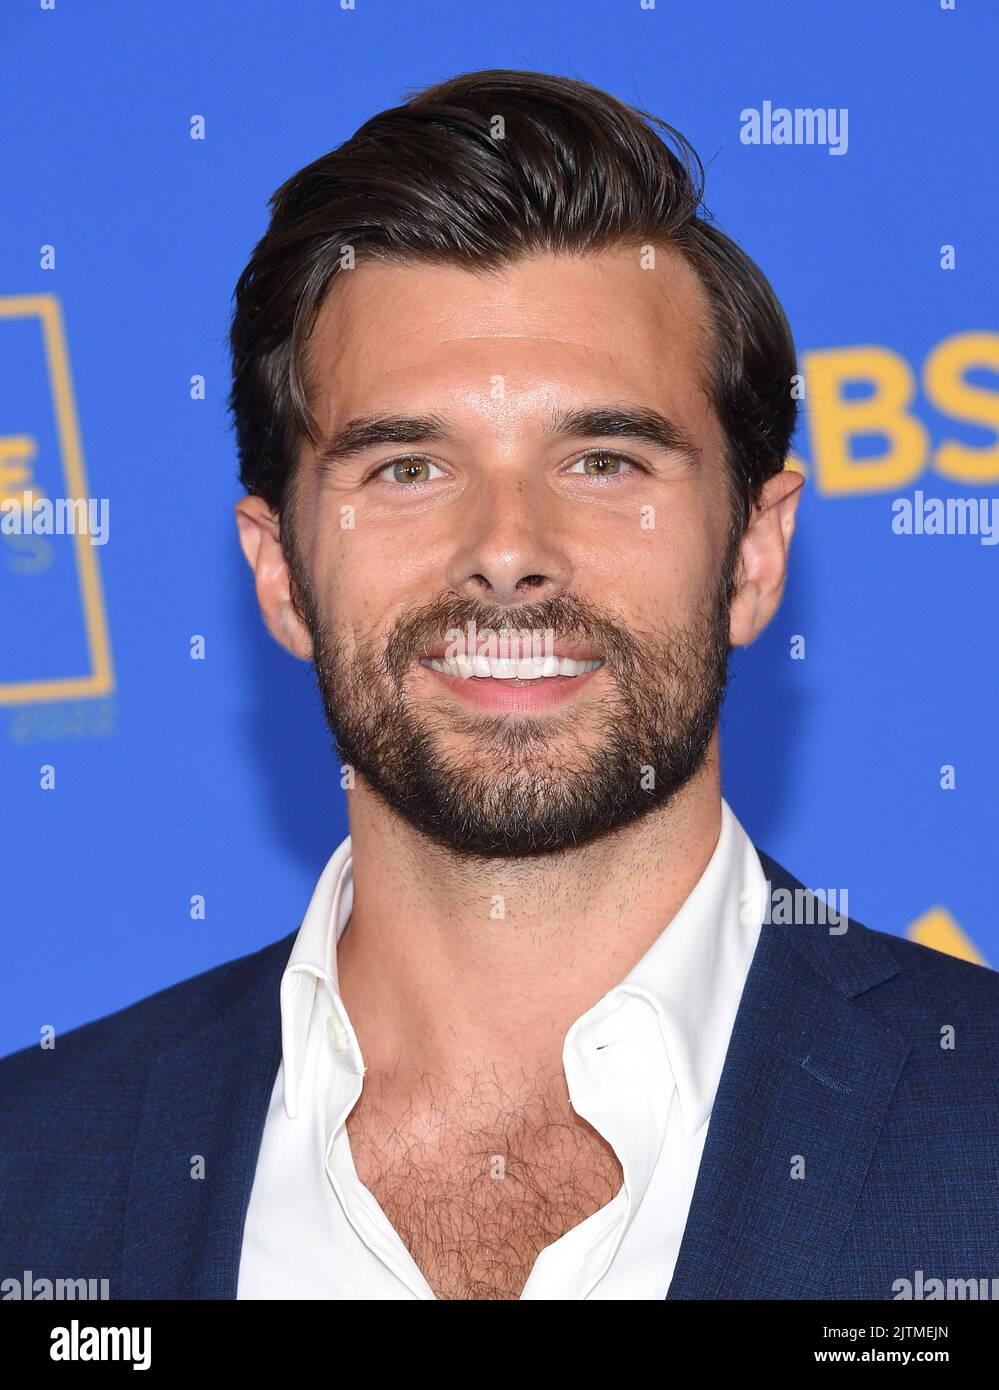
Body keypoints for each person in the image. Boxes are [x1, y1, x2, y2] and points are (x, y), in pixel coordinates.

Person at [2, 69, 996, 1302]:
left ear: (753, 552)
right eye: (410, 465)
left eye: (602, 458)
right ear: (278, 572)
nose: (510, 546)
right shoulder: (29, 1174)